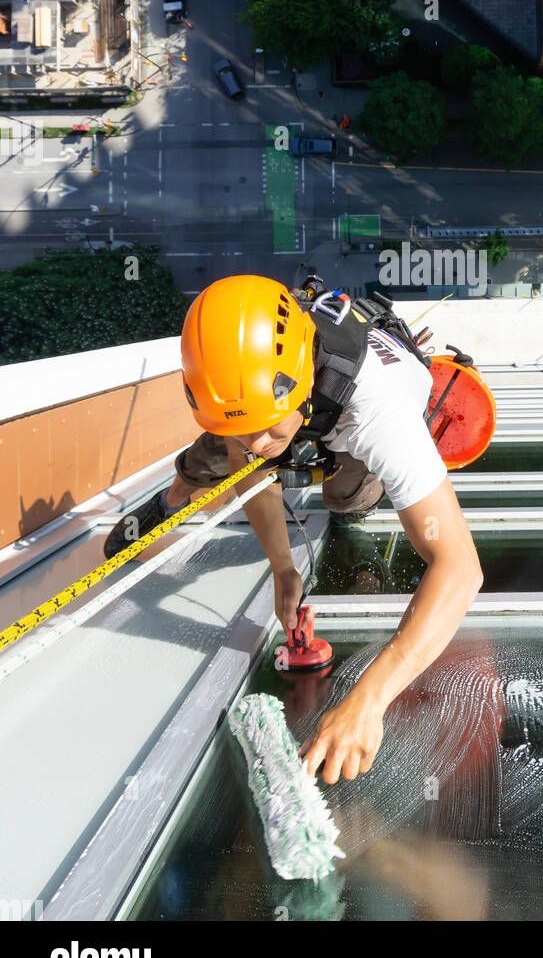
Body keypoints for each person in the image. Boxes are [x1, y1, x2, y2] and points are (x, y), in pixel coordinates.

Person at [102, 275, 484, 783]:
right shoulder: (250, 376)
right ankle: (169, 502)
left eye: (269, 426)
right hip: (305, 402)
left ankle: (348, 503)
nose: (258, 443)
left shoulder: (381, 415)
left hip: (351, 419)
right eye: (245, 427)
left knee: (346, 499)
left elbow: (459, 568)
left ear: (302, 377)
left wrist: (369, 699)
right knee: (209, 458)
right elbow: (255, 471)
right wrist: (283, 568)